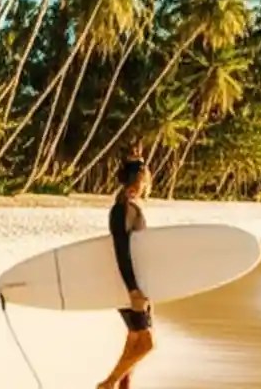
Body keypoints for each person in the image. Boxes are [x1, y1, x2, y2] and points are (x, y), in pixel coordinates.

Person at [97, 155, 154, 389]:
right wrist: (132, 290)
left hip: (137, 284)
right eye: (144, 178)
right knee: (146, 345)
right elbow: (122, 251)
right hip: (128, 285)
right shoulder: (122, 210)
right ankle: (107, 384)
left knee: (133, 341)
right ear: (137, 180)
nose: (147, 183)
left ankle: (120, 386)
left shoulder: (130, 206)